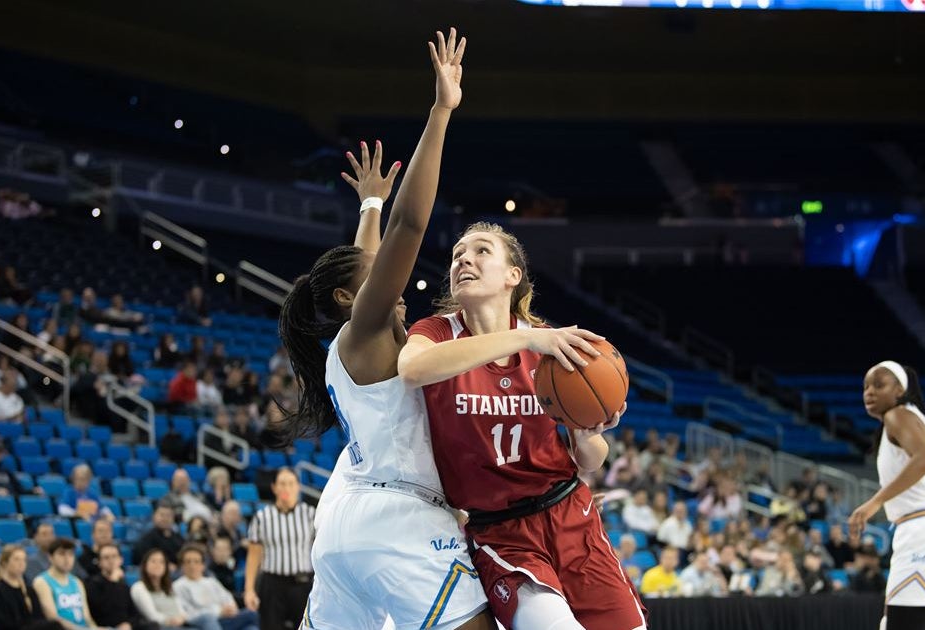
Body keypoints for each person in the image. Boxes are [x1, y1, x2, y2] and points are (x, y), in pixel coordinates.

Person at [265, 27, 492, 630]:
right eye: (378, 281)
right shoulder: (363, 329)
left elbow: (369, 258)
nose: (397, 287)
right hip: (399, 521)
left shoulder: (354, 338)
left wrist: (369, 206)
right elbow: (411, 225)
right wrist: (441, 112)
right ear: (349, 297)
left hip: (345, 525)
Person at [399, 236, 644, 625]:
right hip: (501, 533)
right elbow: (412, 370)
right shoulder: (438, 331)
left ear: (513, 275)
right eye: (457, 255)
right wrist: (527, 336)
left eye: (481, 251)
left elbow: (591, 461)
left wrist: (585, 433)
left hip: (570, 514)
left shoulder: (549, 344)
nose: (465, 259)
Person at [848, 361, 925, 630]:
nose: (869, 392)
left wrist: (873, 502)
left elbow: (924, 459)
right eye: (866, 386)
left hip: (924, 533)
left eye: (879, 385)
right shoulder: (917, 420)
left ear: (900, 390)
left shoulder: (897, 415)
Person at [242, 470, 317, 630]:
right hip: (272, 584)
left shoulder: (310, 514)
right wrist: (249, 590)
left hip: (302, 584)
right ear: (274, 487)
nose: (286, 488)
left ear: (298, 487)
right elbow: (253, 556)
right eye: (282, 484)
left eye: (291, 484)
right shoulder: (262, 518)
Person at [130, 549, 219, 630]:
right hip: (162, 626)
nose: (157, 565)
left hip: (180, 622)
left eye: (161, 562)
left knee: (208, 618)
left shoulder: (169, 587)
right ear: (145, 565)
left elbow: (180, 608)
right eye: (153, 561)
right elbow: (151, 615)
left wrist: (182, 617)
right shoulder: (139, 587)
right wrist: (170, 620)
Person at [173, 545, 258, 630]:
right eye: (188, 562)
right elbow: (187, 614)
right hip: (205, 623)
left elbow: (227, 598)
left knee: (251, 626)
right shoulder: (178, 586)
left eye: (196, 561)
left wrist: (231, 608)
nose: (192, 565)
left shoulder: (211, 582)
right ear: (182, 566)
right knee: (251, 615)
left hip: (226, 620)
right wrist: (219, 612)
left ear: (203, 565)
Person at [0, 545, 66, 630]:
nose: (21, 563)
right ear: (5, 563)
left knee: (55, 625)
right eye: (16, 559)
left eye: (24, 560)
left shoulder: (29, 590)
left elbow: (39, 617)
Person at [31, 539, 98, 630]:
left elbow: (87, 617)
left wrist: (96, 628)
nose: (67, 559)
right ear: (50, 557)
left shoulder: (77, 582)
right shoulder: (42, 582)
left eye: (70, 554)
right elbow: (53, 618)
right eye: (61, 554)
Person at [84, 544, 138, 630]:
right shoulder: (92, 584)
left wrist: (129, 624)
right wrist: (112, 582)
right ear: (99, 562)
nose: (111, 560)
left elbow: (134, 614)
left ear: (121, 560)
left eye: (114, 556)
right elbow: (102, 612)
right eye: (106, 557)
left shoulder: (124, 585)